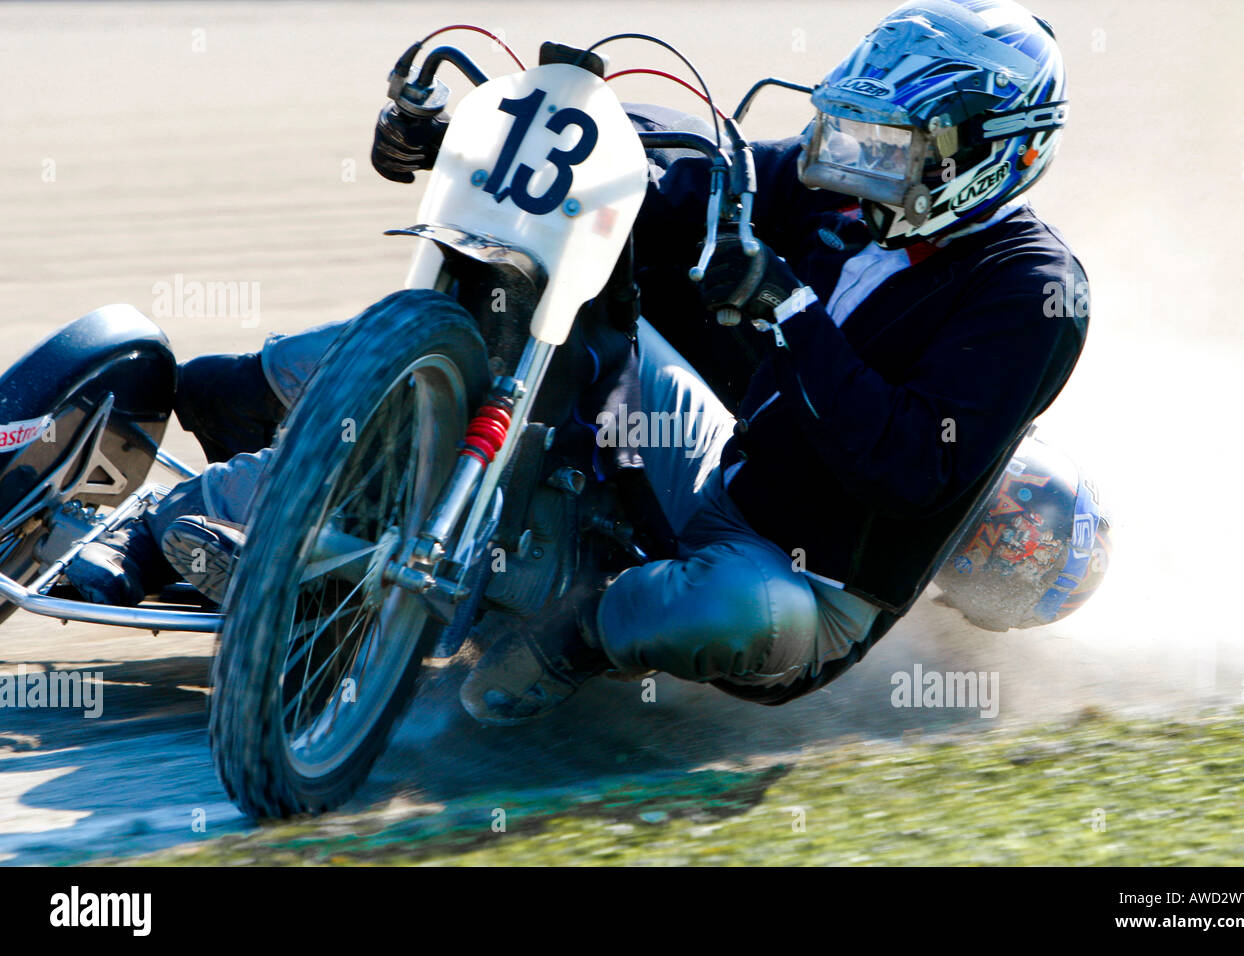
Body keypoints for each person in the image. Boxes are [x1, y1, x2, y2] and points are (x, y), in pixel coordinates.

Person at [67, 0, 1089, 728]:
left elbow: (910, 466)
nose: (856, 159)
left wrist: (781, 302)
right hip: (724, 463)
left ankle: (568, 638)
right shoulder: (847, 190)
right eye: (861, 134)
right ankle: (227, 468)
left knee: (715, 606)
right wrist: (487, 132)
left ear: (986, 154)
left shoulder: (1034, 292)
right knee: (538, 299)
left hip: (803, 568)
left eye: (892, 146)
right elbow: (709, 165)